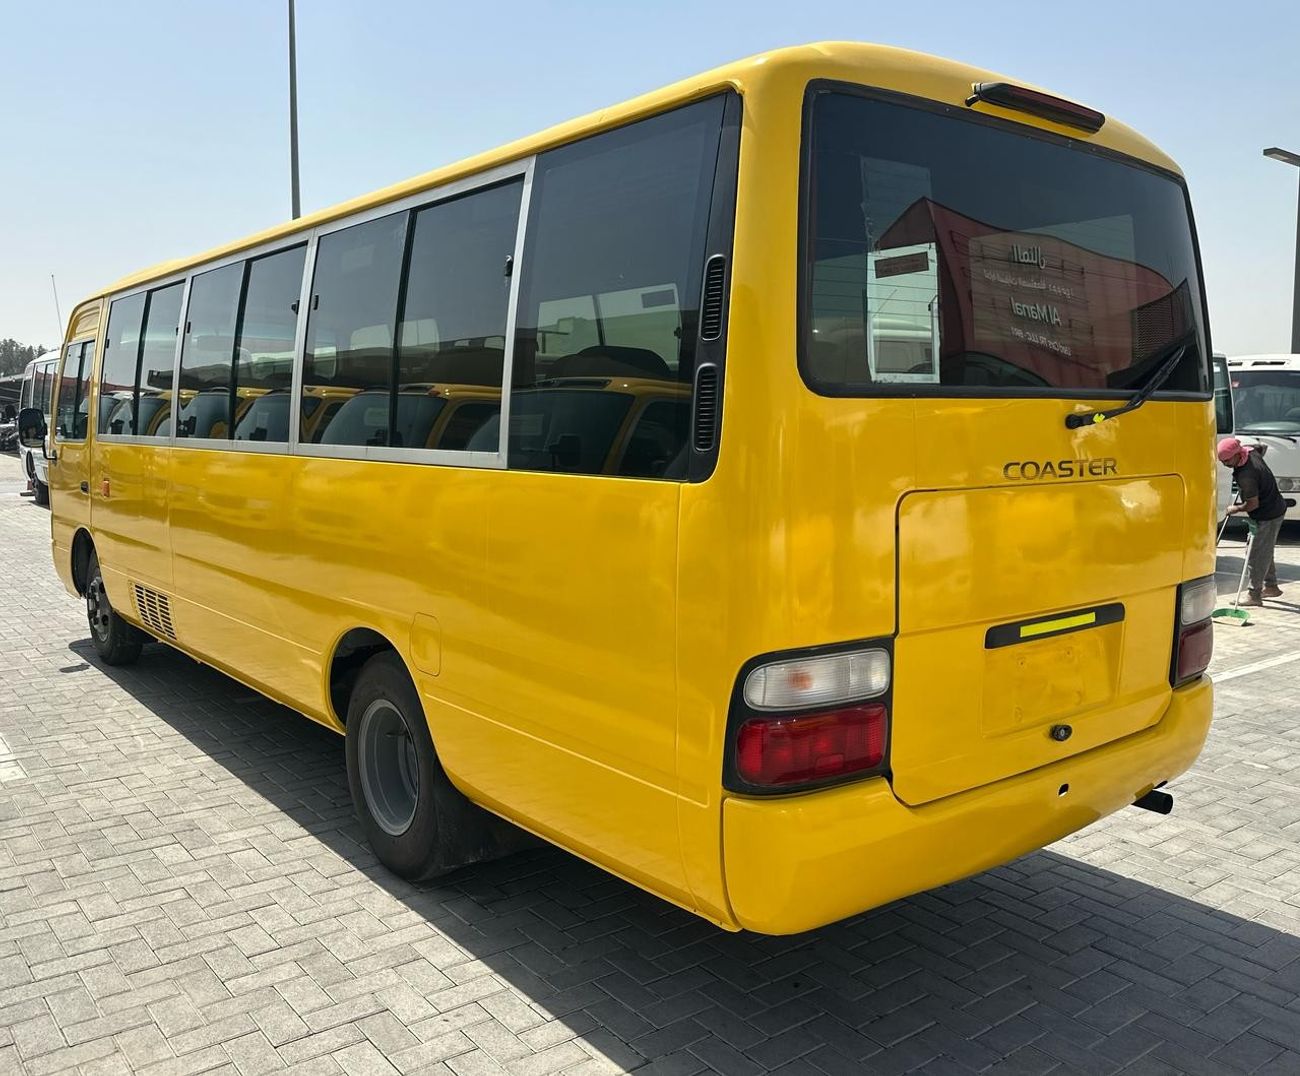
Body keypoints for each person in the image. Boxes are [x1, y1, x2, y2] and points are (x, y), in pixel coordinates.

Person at [1219, 436, 1286, 606]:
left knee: (1255, 555)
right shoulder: (1250, 451)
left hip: (1268, 514)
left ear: (1236, 454)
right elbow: (1261, 447)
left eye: (1227, 460)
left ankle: (1254, 595)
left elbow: (1252, 504)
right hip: (1275, 507)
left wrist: (1235, 508)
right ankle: (1271, 586)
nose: (1224, 464)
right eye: (1222, 461)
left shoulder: (1246, 475)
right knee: (1264, 549)